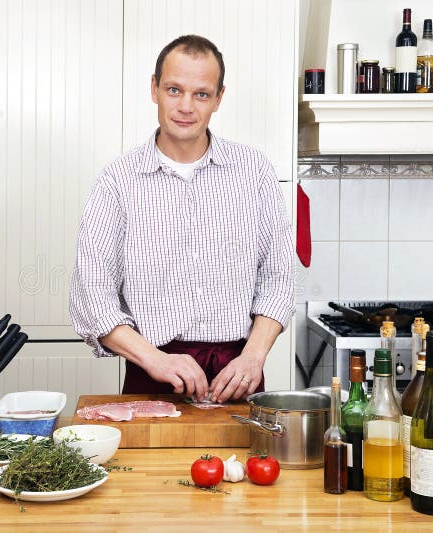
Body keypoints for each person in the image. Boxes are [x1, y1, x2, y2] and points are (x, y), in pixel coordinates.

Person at [69, 35, 293, 403]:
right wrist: (153, 358)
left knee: (245, 464)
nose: (186, 106)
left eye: (201, 94)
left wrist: (254, 356)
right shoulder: (117, 181)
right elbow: (92, 294)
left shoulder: (254, 172)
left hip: (238, 377)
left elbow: (279, 276)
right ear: (154, 88)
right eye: (174, 90)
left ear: (219, 98)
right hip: (153, 377)